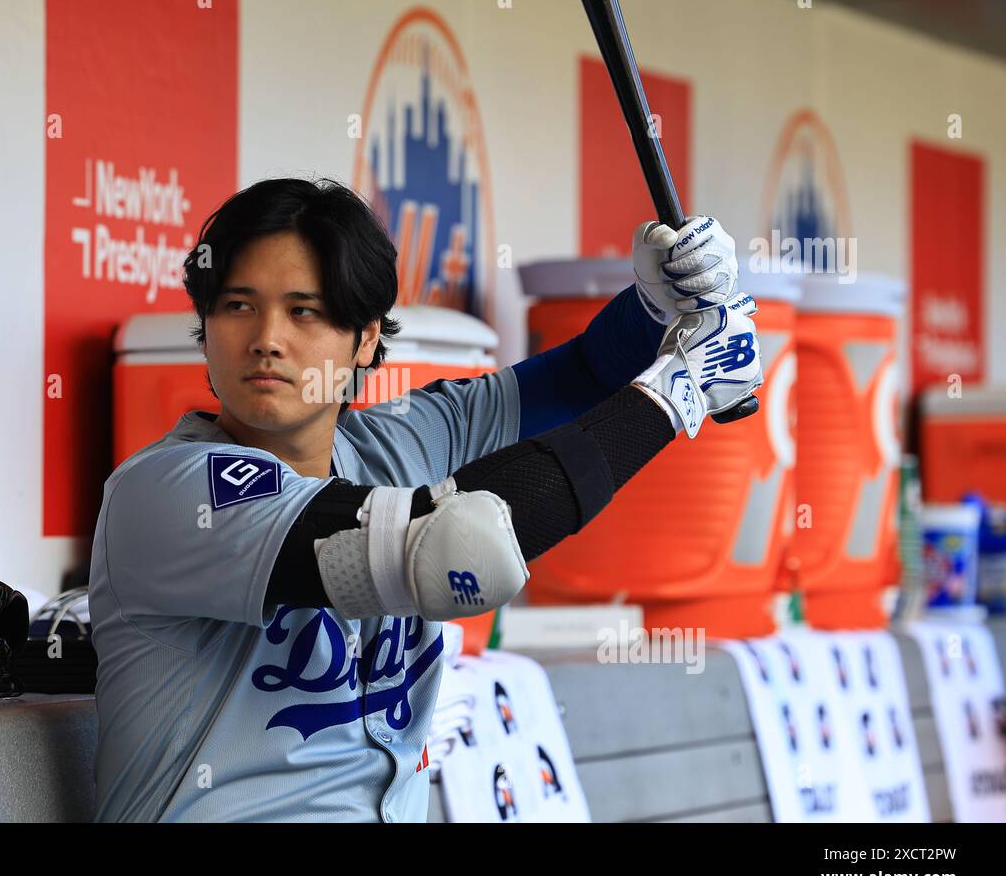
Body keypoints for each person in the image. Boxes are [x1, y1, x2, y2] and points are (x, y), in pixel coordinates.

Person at [87, 177, 762, 822]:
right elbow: (454, 551)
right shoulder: (168, 493)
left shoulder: (400, 442)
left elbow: (583, 372)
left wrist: (656, 302)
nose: (267, 338)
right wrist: (673, 397)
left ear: (367, 336)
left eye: (305, 311)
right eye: (238, 305)